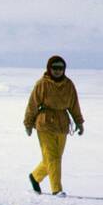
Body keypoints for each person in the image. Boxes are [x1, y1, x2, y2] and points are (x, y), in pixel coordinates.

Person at [23, 54, 84, 196]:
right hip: (44, 123)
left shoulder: (69, 85)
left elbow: (74, 105)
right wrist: (28, 123)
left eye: (60, 68)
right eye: (54, 68)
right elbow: (32, 104)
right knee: (53, 158)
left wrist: (79, 122)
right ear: (49, 68)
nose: (57, 70)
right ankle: (57, 190)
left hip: (62, 124)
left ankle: (35, 176)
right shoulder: (42, 84)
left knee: (53, 158)